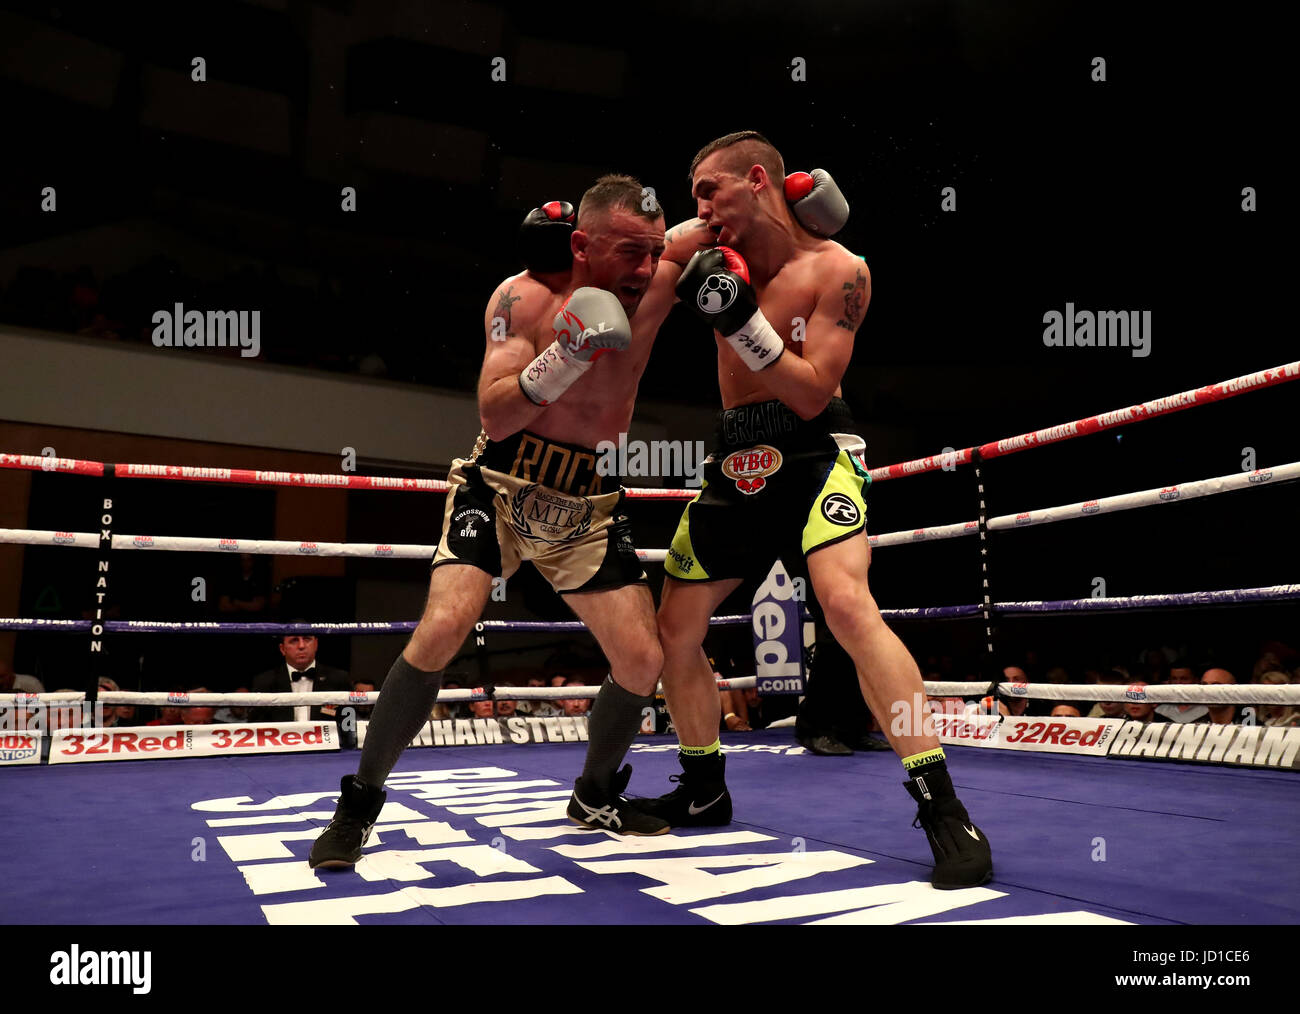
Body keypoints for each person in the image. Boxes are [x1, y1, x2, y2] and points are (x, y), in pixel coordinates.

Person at [310, 173, 722, 868]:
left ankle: (593, 793)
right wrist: (570, 352)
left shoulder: (654, 279)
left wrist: (781, 208)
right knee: (443, 627)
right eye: (630, 252)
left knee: (642, 657)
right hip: (500, 481)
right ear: (582, 245)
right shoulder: (521, 298)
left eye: (654, 252)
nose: (648, 269)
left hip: (587, 499)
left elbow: (704, 226)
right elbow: (496, 412)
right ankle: (359, 804)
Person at [642, 131, 992, 889]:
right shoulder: (704, 254)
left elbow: (808, 391)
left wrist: (741, 321)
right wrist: (670, 243)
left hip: (814, 450)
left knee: (846, 605)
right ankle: (704, 789)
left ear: (758, 180)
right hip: (735, 459)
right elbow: (625, 292)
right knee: (673, 629)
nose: (699, 208)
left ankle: (943, 807)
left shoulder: (841, 271)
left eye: (709, 190)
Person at [250, 633, 351, 723]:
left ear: (316, 644)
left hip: (329, 743)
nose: (301, 646)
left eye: (307, 639)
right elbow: (256, 728)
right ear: (282, 649)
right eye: (294, 640)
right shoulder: (264, 682)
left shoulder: (338, 679)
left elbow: (348, 724)